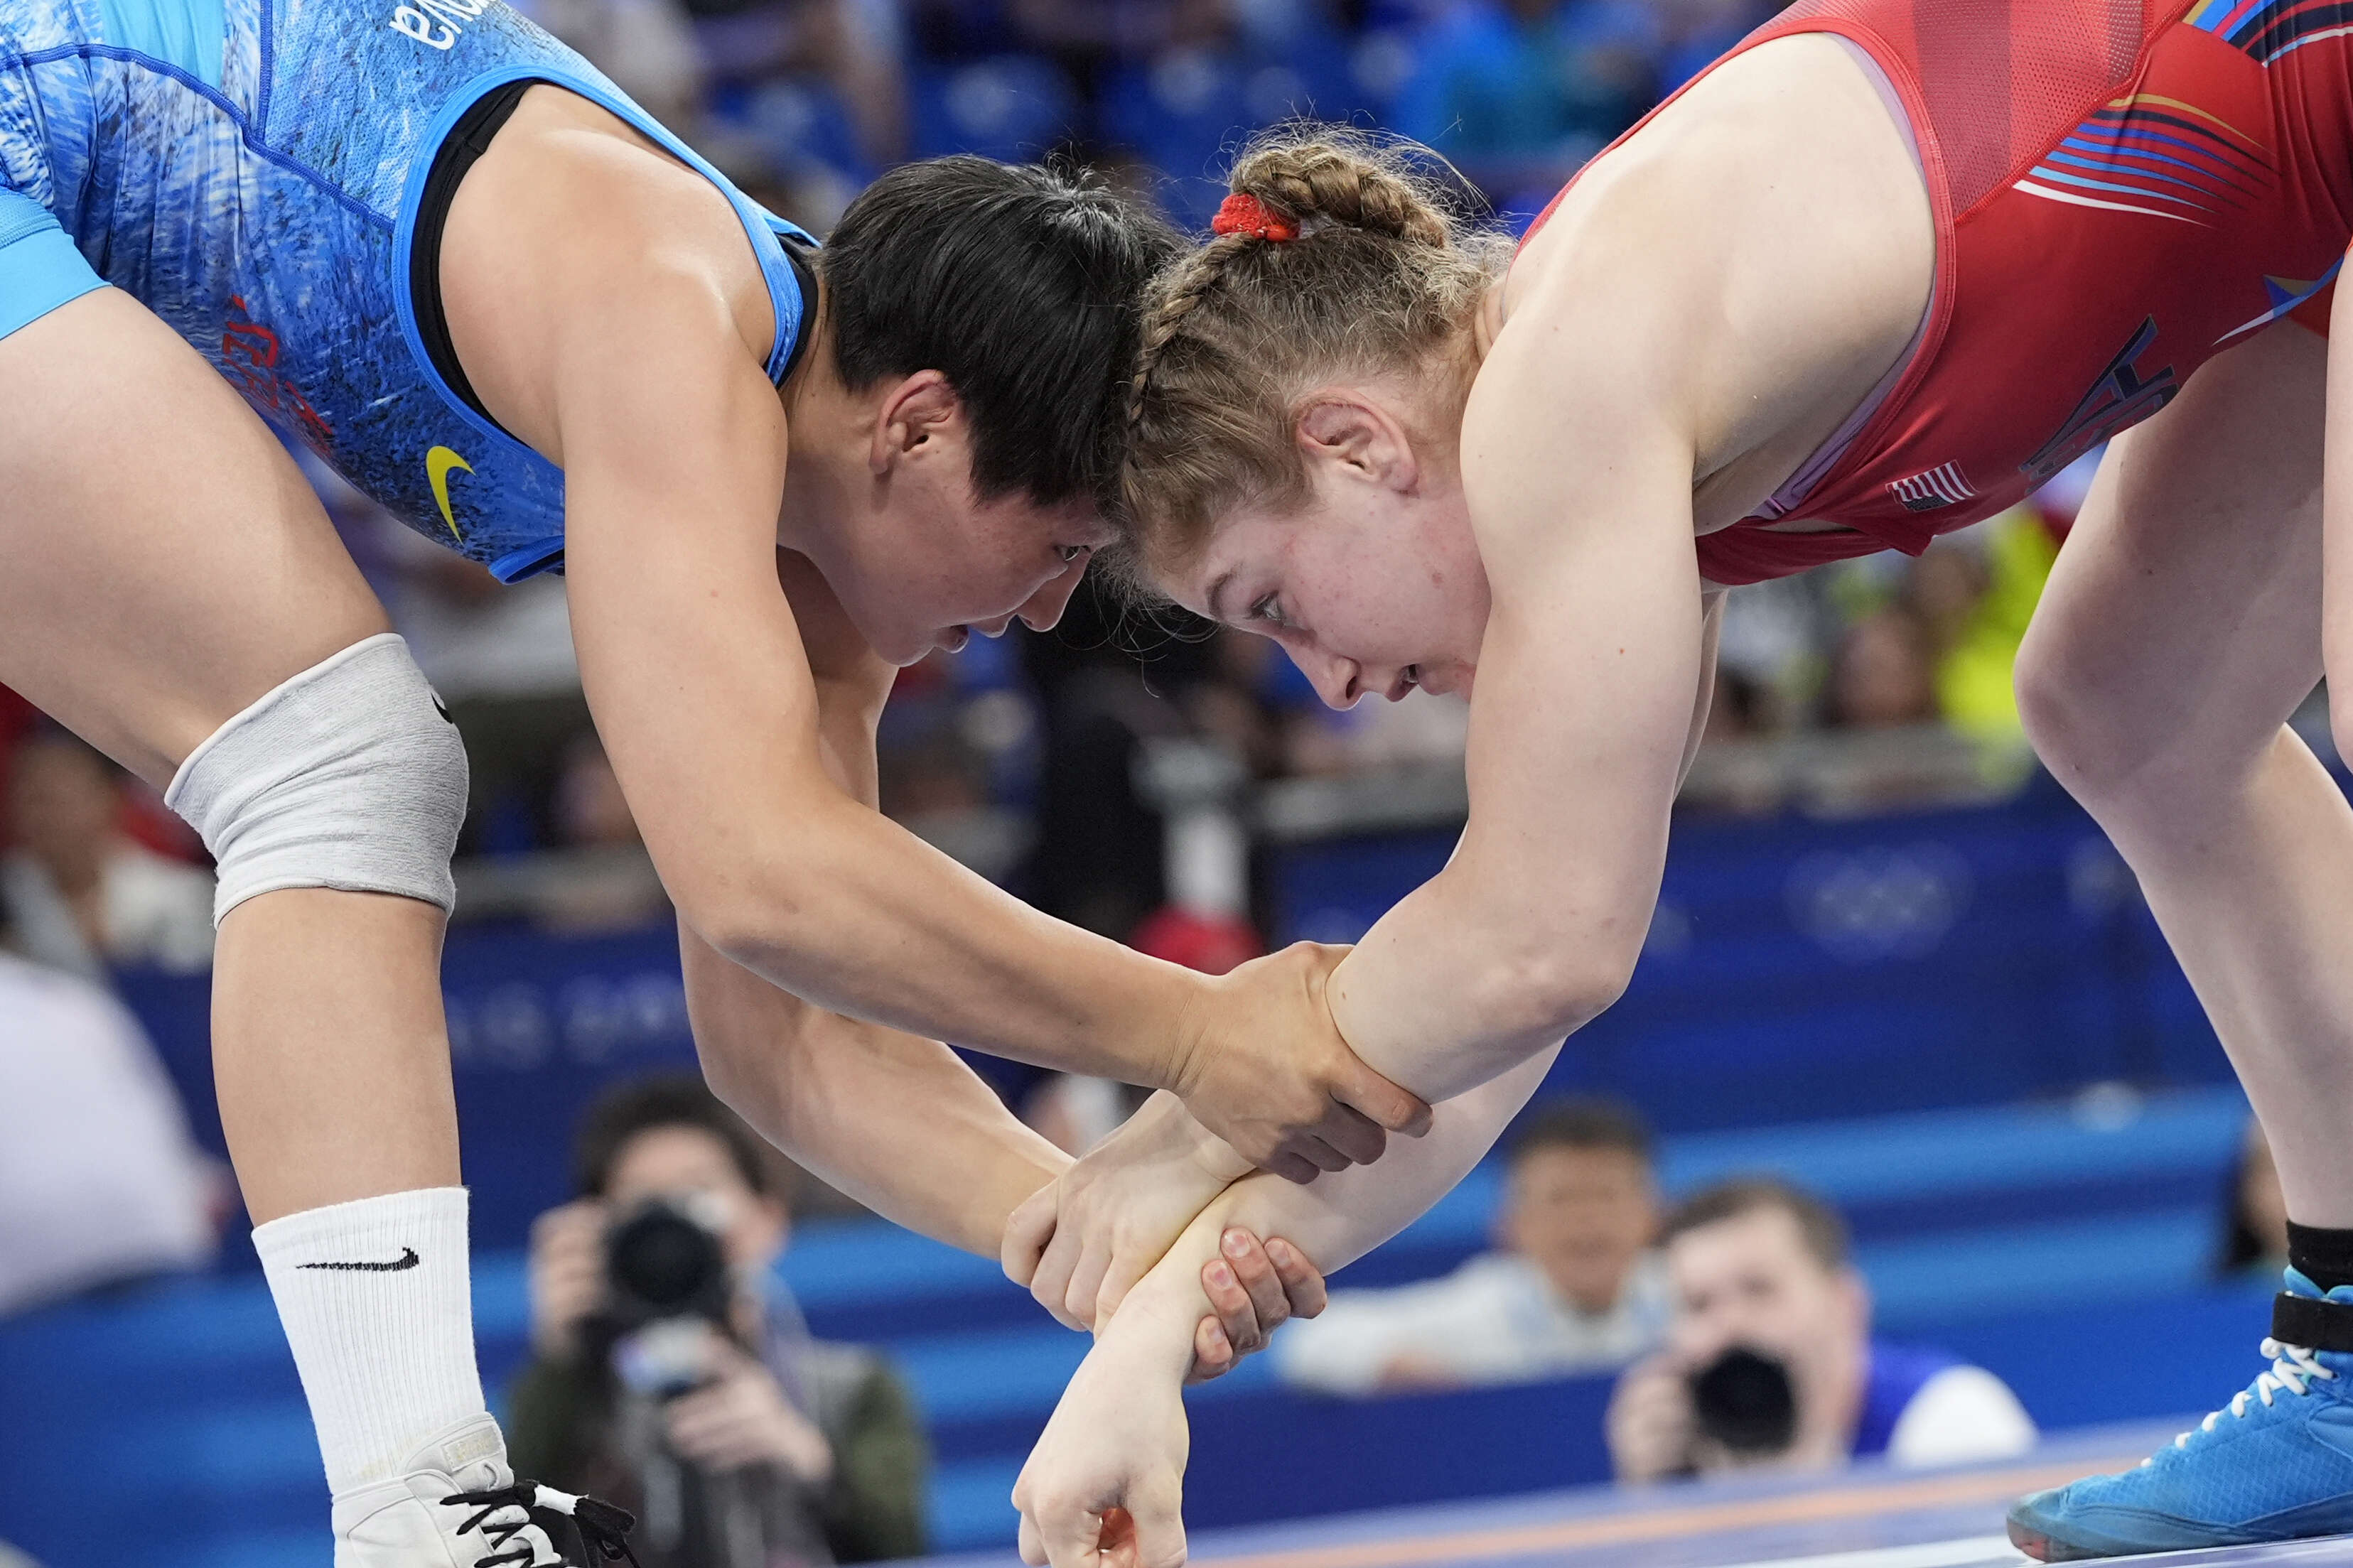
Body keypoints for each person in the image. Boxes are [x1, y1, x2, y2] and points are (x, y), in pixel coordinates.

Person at [0, 0, 1429, 1556]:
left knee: (340, 763)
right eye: (1059, 549)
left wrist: (1084, 1222)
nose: (1035, 616)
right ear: (919, 423)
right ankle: (420, 1510)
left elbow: (782, 1025)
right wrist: (1197, 1026)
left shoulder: (815, 557)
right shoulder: (662, 297)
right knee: (333, 761)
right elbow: (760, 870)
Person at [998, 0, 2353, 1553]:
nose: (1329, 681)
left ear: (1355, 445)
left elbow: (1529, 940)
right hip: (2301, 188)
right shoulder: (1630, 441)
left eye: (1274, 604)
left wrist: (1178, 1130)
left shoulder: (1562, 383)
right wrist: (1150, 1332)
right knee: (2132, 702)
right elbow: (1503, 1017)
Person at [507, 1076, 923, 1566]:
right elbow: (504, 1536)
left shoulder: (854, 1387)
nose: (672, 1227)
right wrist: (560, 1356)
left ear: (768, 1217)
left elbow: (905, 1549)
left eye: (697, 1194)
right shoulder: (576, 1395)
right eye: (641, 1202)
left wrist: (806, 1458)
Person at [1605, 1179, 2033, 1482]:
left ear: (1845, 1305)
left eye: (1759, 1290)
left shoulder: (1950, 1420)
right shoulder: (1685, 1447)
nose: (1728, 1326)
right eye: (1698, 1304)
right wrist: (1655, 1503)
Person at [1276, 1098, 1667, 1394]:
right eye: (1561, 1199)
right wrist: (1391, 1365)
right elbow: (1310, 1343)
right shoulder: (1481, 1310)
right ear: (1511, 1225)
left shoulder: (1695, 1293)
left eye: (1607, 1196)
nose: (1586, 1219)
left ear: (1653, 1214)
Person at [2, 725, 215, 979]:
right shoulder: (10, 895)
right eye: (32, 798)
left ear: (110, 798)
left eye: (59, 798)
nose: (45, 817)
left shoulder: (180, 895)